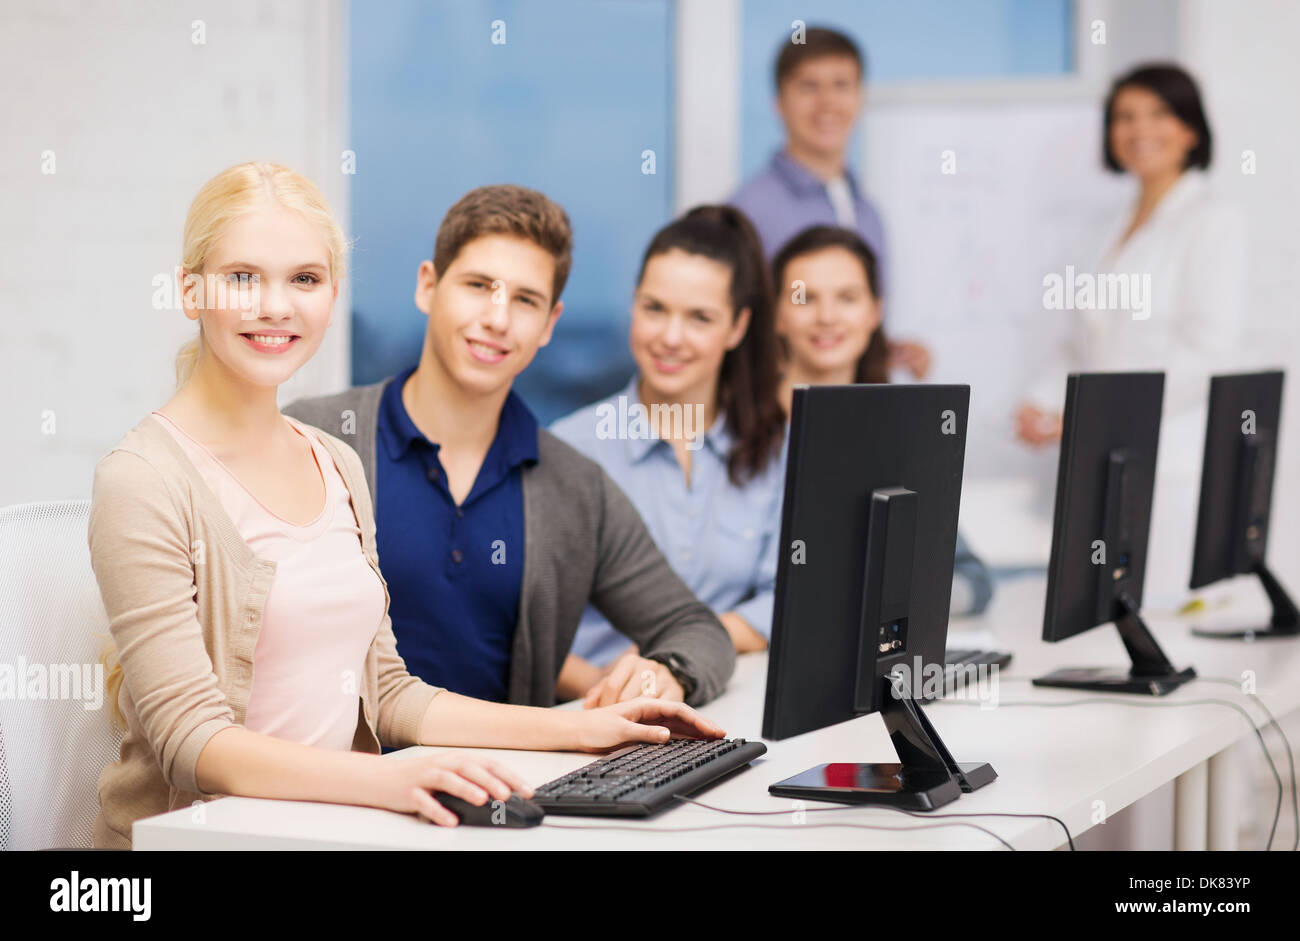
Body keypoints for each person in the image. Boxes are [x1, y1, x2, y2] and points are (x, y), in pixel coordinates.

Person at [89, 163, 724, 849]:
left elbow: (388, 690)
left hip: (344, 828)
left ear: (333, 295)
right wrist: (393, 778)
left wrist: (582, 728)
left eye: (304, 279)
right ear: (189, 290)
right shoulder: (144, 476)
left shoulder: (332, 460)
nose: (275, 306)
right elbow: (190, 740)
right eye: (243, 277)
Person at [284, 184, 735, 710]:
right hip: (329, 764)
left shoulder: (574, 486)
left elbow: (696, 630)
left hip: (511, 763)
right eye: (479, 286)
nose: (498, 319)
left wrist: (663, 675)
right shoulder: (317, 435)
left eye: (525, 300)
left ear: (549, 324)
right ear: (428, 286)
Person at [1013, 63, 1246, 604]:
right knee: (1102, 613)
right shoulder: (1106, 229)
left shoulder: (1214, 219)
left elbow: (1210, 352)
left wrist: (1098, 415)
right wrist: (1041, 400)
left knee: (1165, 614)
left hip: (1173, 462)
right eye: (1124, 116)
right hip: (1106, 458)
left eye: (1159, 114)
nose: (1140, 129)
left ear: (1190, 129)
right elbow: (1083, 344)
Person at [551, 206, 787, 691]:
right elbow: (518, 631)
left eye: (700, 317)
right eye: (654, 309)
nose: (671, 337)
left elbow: (788, 596)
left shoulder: (772, 448)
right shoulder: (569, 449)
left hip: (728, 699)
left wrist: (683, 657)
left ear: (737, 327)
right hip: (596, 709)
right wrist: (609, 688)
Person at [771, 225, 994, 616]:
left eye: (847, 298)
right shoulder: (737, 430)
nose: (827, 317)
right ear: (777, 315)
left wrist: (882, 605)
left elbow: (972, 579)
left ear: (875, 311)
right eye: (804, 298)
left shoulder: (892, 438)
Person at [728, 24, 930, 381]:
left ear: (860, 98)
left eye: (841, 85)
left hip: (856, 406)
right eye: (809, 86)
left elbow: (850, 331)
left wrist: (886, 350)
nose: (827, 103)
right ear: (779, 103)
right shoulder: (748, 213)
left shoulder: (869, 213)